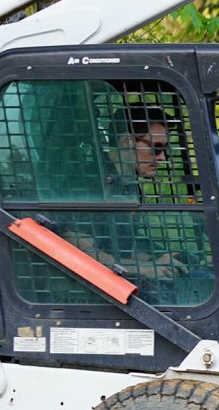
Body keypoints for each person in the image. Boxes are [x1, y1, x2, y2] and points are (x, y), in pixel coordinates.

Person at [67, 103, 187, 281]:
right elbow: (74, 246)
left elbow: (120, 249)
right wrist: (142, 269)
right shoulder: (89, 184)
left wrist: (162, 260)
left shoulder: (131, 187)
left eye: (164, 149)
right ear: (127, 141)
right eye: (156, 148)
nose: (162, 158)